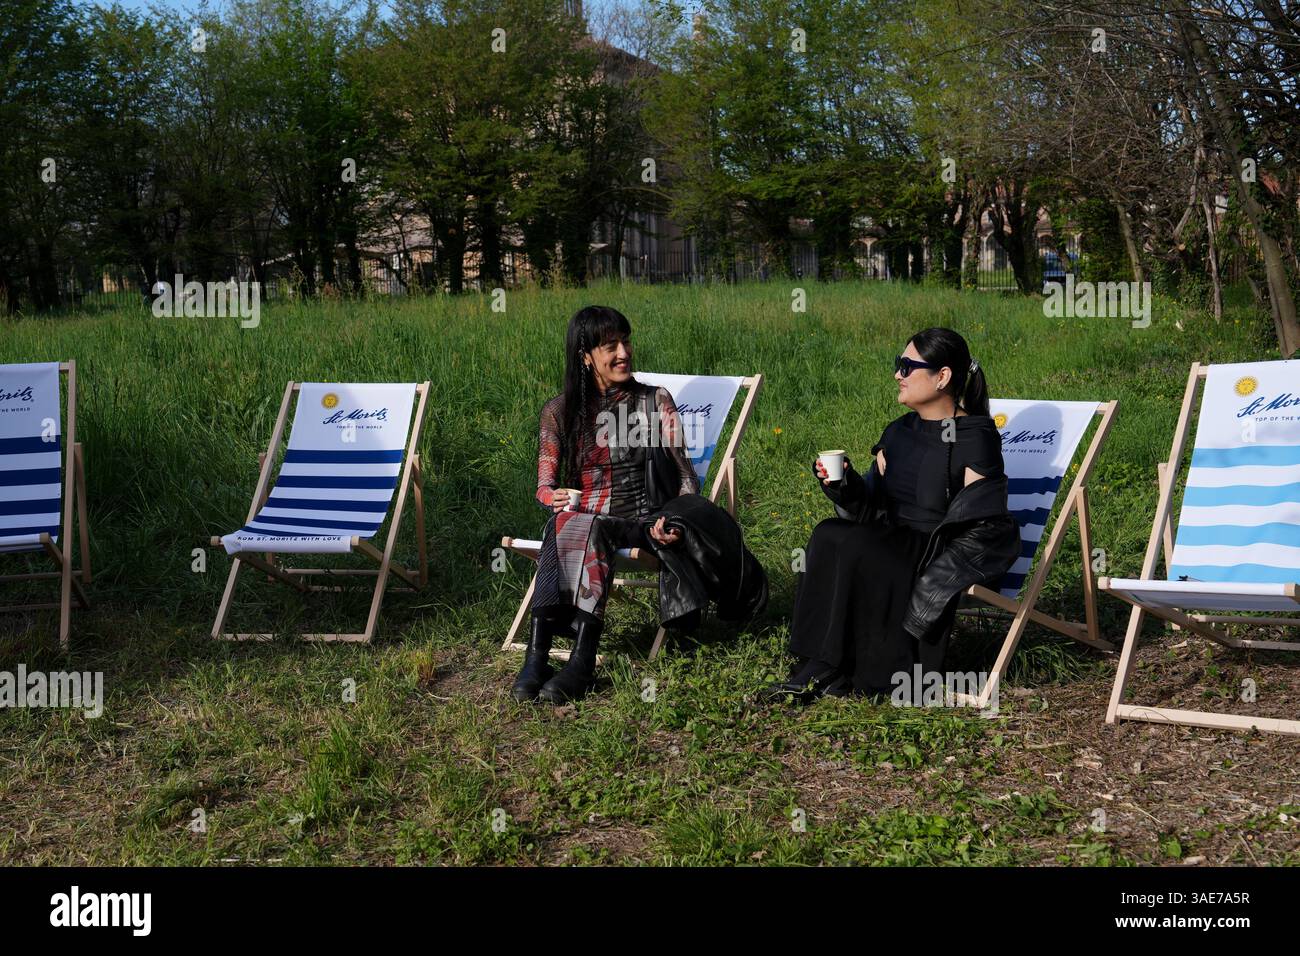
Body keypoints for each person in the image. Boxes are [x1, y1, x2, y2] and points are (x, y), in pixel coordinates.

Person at [761, 327, 1022, 703]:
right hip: (889, 538)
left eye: (906, 366)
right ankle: (817, 660)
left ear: (943, 376)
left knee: (852, 544)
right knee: (828, 533)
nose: (897, 375)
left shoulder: (974, 437)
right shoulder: (899, 431)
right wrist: (844, 486)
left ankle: (834, 667)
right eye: (897, 365)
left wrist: (939, 572)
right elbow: (871, 507)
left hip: (932, 552)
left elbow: (986, 522)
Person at [512, 305, 699, 704]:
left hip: (641, 521)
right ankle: (538, 657)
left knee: (580, 526)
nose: (623, 353)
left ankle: (580, 660)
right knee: (563, 522)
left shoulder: (655, 401)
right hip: (585, 524)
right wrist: (554, 497)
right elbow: (544, 487)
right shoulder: (559, 412)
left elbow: (686, 476)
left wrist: (676, 521)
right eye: (609, 345)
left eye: (626, 341)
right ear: (585, 356)